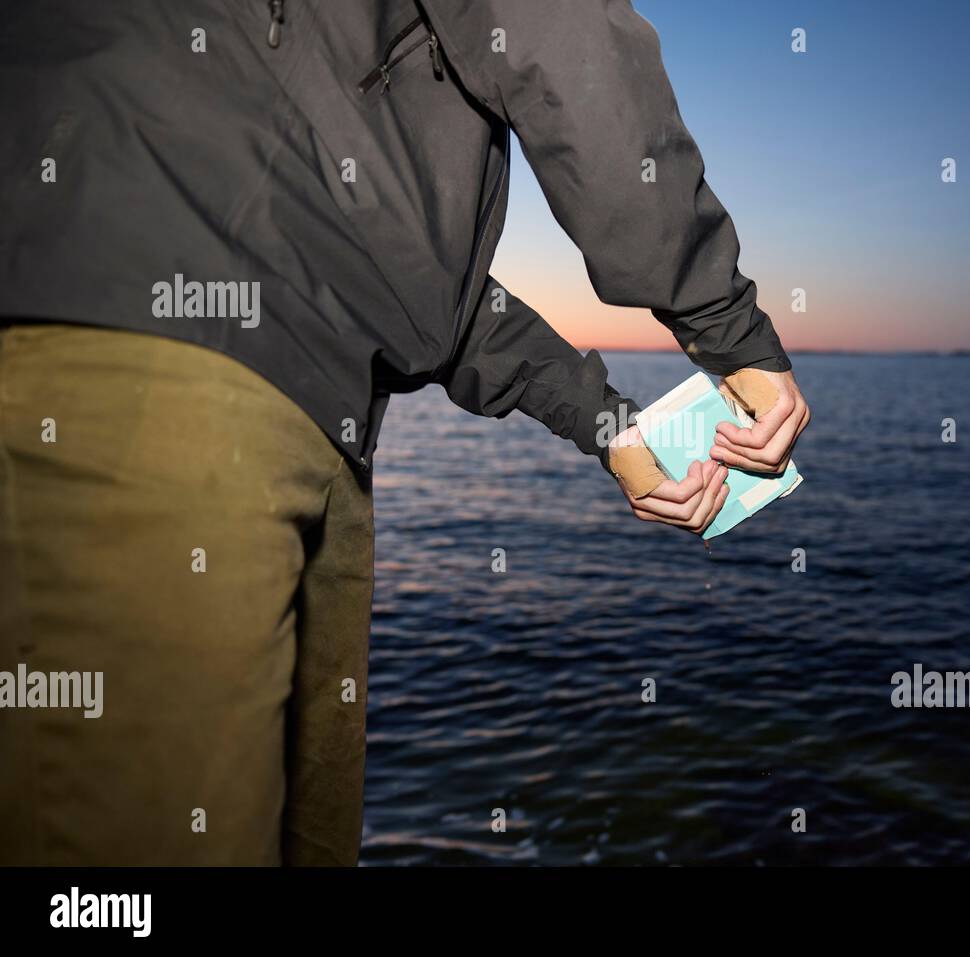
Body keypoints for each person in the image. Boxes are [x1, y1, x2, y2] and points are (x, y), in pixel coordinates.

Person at [0, 0, 809, 865]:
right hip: (142, 346)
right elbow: (560, 31)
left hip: (312, 414)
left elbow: (432, 296)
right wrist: (720, 319)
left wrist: (607, 424)